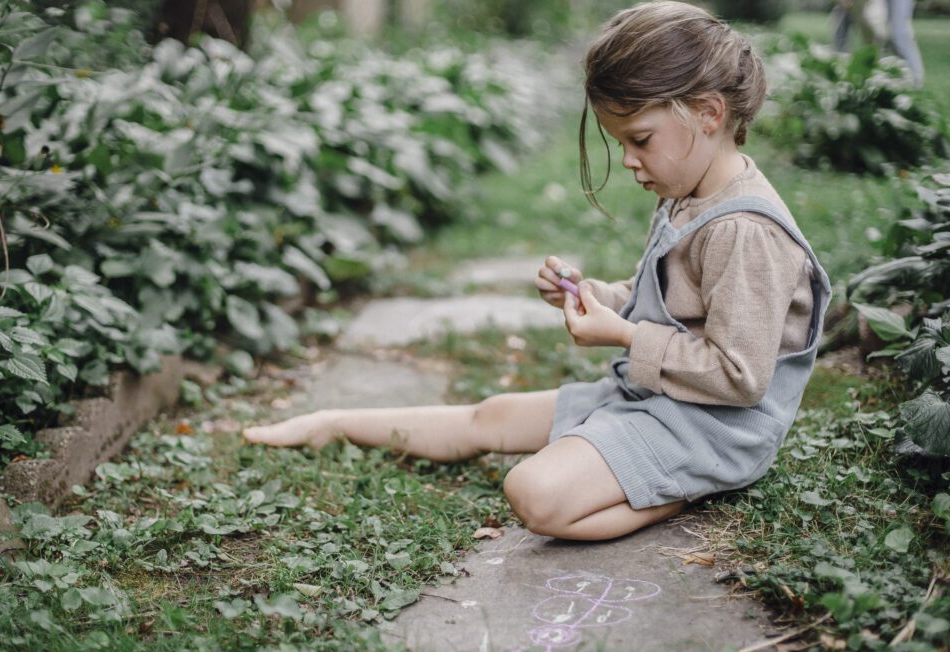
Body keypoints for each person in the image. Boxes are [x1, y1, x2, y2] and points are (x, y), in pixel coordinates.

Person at [244, 1, 832, 542]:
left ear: (708, 113)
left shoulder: (745, 231)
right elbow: (670, 299)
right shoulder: (691, 191)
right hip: (659, 397)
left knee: (533, 493)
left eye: (640, 140)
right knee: (492, 416)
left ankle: (686, 488)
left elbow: (739, 375)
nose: (628, 159)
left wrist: (625, 336)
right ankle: (333, 421)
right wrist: (595, 295)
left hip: (714, 430)